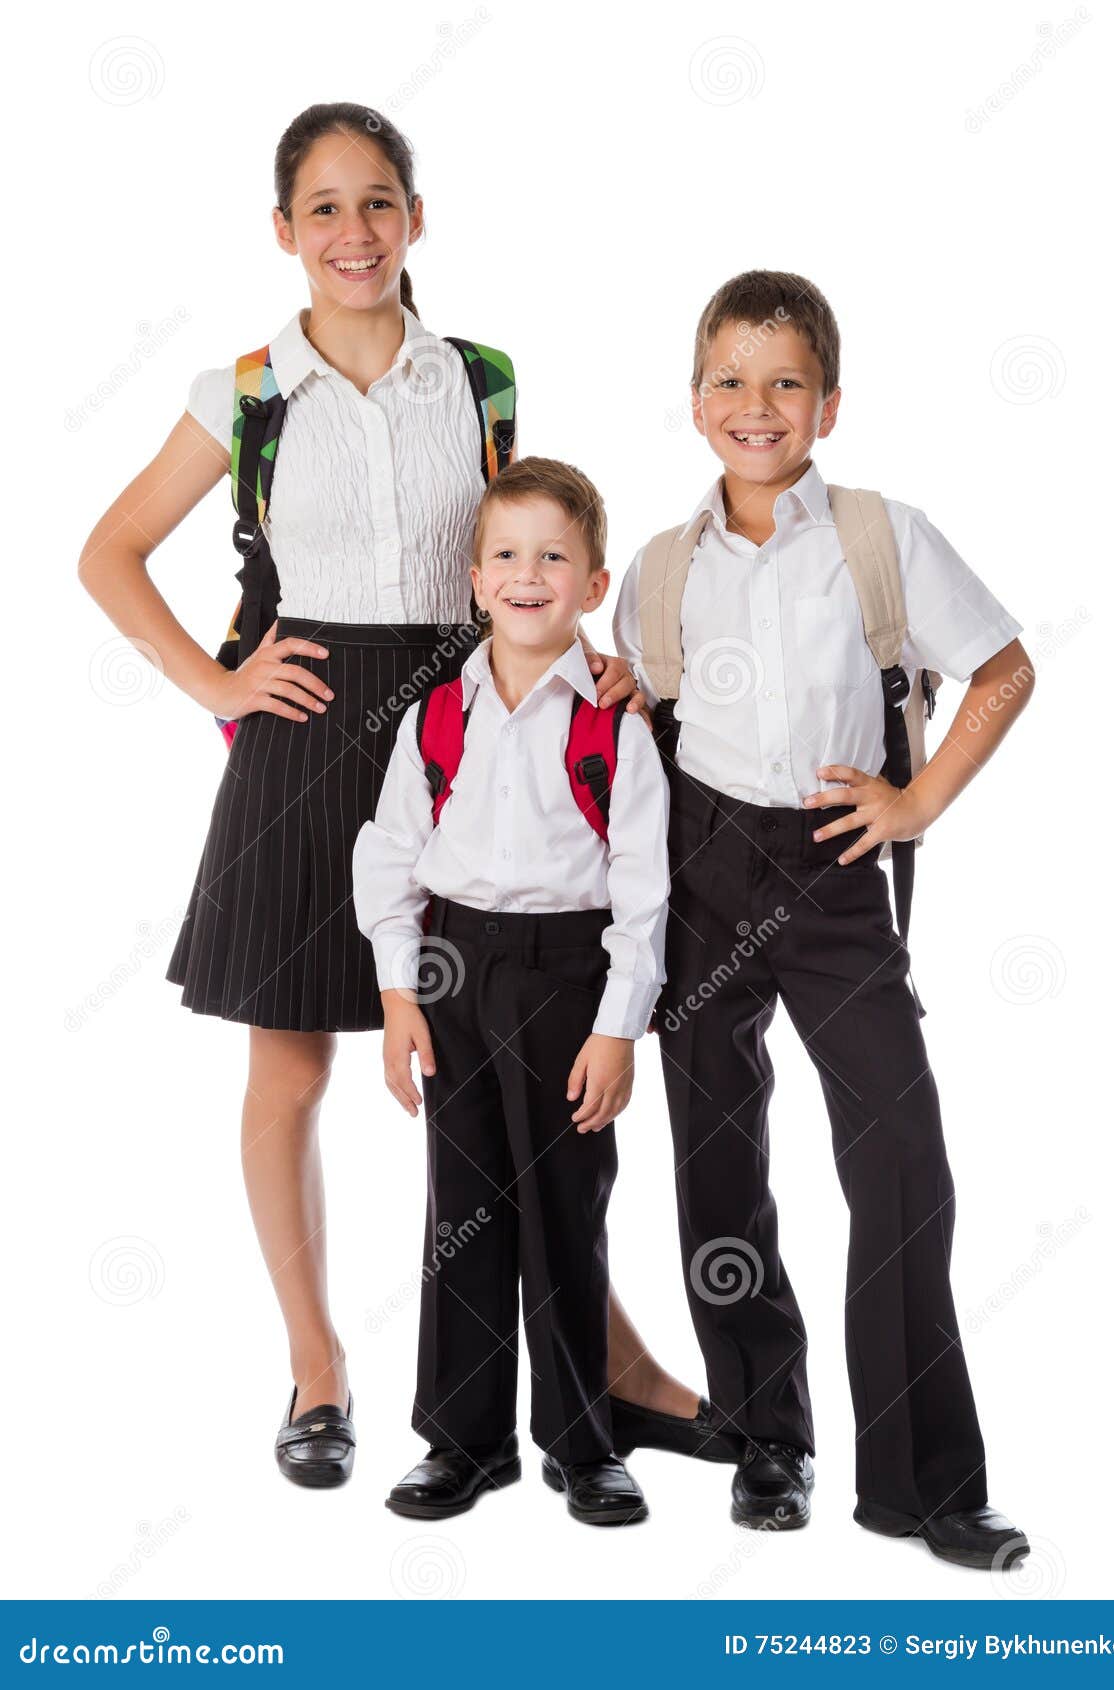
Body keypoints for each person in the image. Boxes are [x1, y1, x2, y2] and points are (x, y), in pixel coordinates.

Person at [77, 100, 695, 1490]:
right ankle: (315, 1370)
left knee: (515, 1065)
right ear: (283, 233)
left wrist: (584, 658)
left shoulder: (477, 378)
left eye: (376, 204)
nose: (352, 232)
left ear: (415, 218)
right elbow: (107, 552)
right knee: (288, 1068)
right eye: (323, 208)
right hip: (300, 744)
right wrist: (216, 682)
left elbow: (517, 549)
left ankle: (606, 1357)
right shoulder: (239, 390)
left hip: (462, 720)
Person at [613, 270, 1034, 1568]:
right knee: (717, 1167)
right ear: (693, 404)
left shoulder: (879, 535)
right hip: (699, 871)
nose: (757, 404)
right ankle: (763, 1436)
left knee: (901, 1164)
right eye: (730, 380)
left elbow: (1002, 667)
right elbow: (632, 722)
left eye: (785, 380)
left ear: (827, 404)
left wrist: (913, 800)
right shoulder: (659, 564)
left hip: (836, 869)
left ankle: (923, 1481)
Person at [353, 458, 665, 1526]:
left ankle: (585, 1441)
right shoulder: (437, 716)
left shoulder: (617, 726)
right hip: (454, 973)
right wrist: (400, 997)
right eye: (506, 555)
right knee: (463, 1211)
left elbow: (643, 892)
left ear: (593, 582)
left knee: (565, 1216)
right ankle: (462, 1439)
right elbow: (391, 856)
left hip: (568, 976)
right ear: (475, 577)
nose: (528, 574)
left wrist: (618, 1027)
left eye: (553, 556)